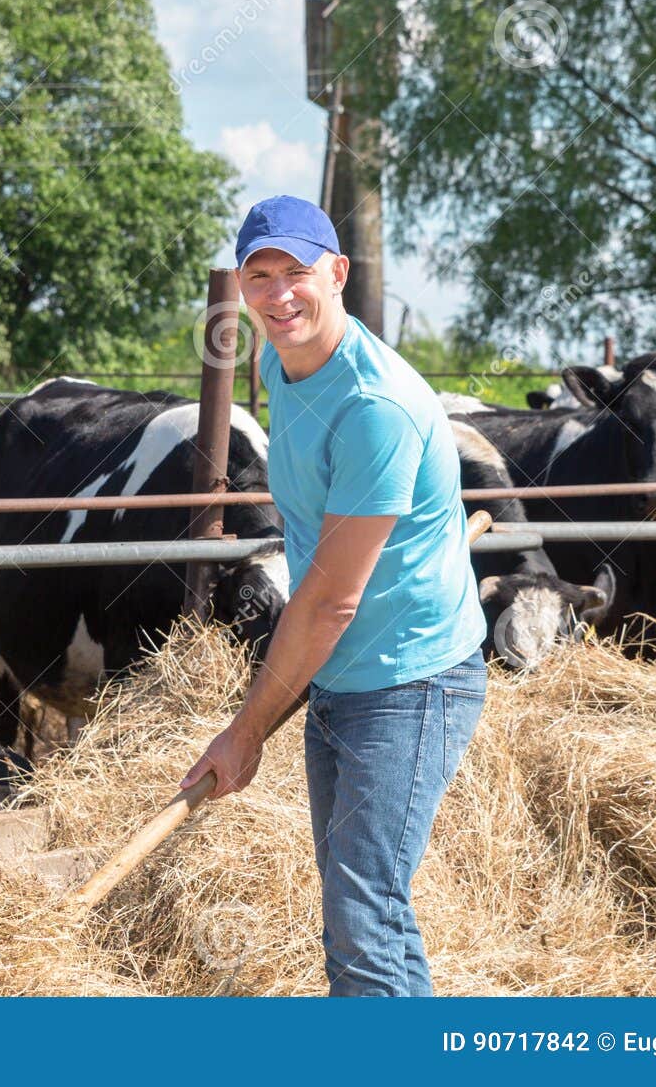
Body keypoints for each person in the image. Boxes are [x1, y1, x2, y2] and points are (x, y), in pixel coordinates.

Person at [181, 195, 488, 996]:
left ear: (338, 272)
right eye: (260, 277)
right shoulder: (279, 367)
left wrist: (243, 732)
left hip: (412, 678)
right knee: (360, 910)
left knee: (363, 914)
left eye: (297, 272)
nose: (279, 295)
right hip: (338, 671)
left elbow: (327, 602)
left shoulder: (374, 407)